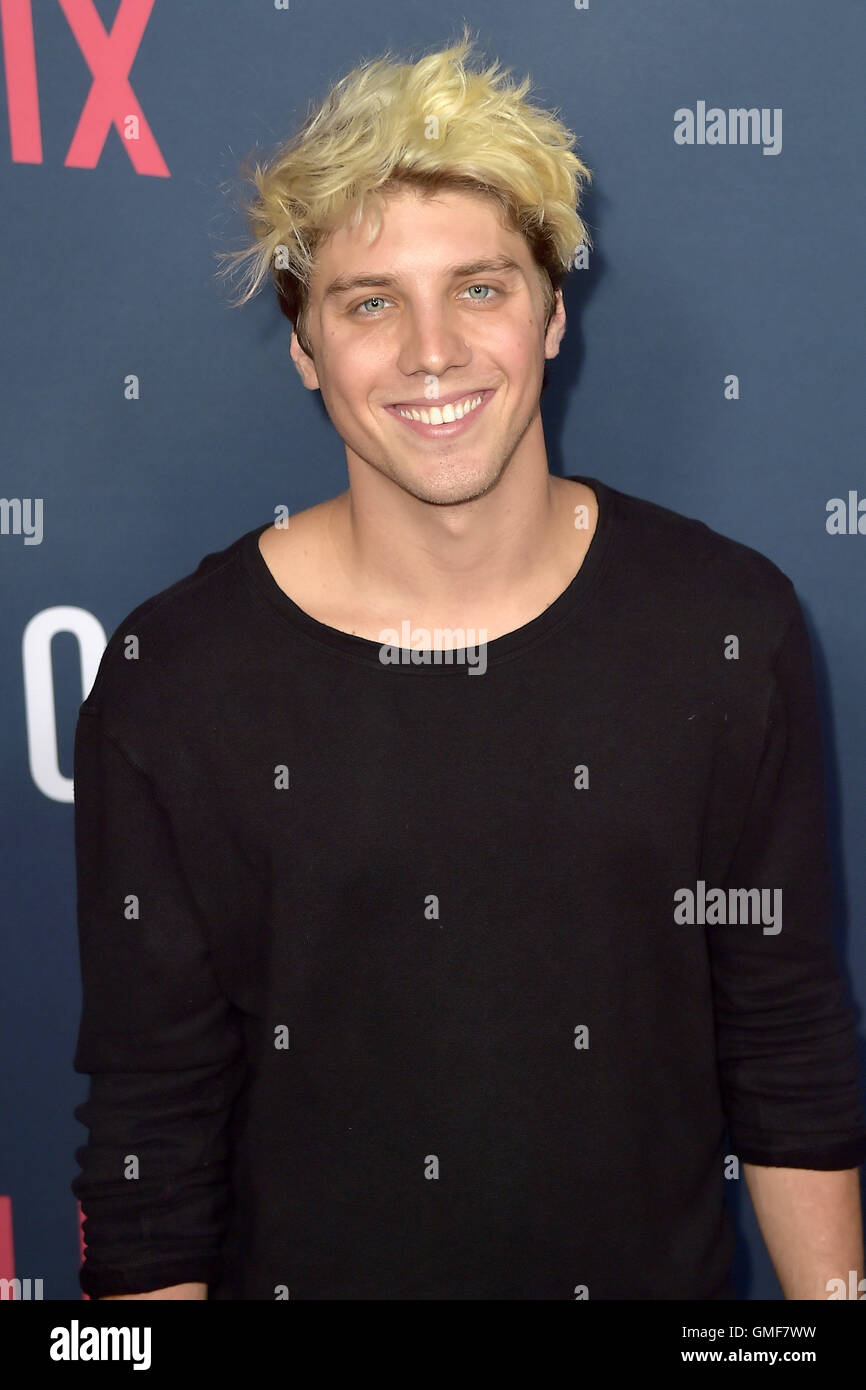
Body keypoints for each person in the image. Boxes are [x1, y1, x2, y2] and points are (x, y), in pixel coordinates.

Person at [71, 28, 866, 1300]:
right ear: (302, 348)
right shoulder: (174, 679)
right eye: (370, 301)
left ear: (552, 315)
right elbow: (152, 1137)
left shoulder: (727, 626)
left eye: (482, 287)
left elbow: (783, 1045)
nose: (431, 351)